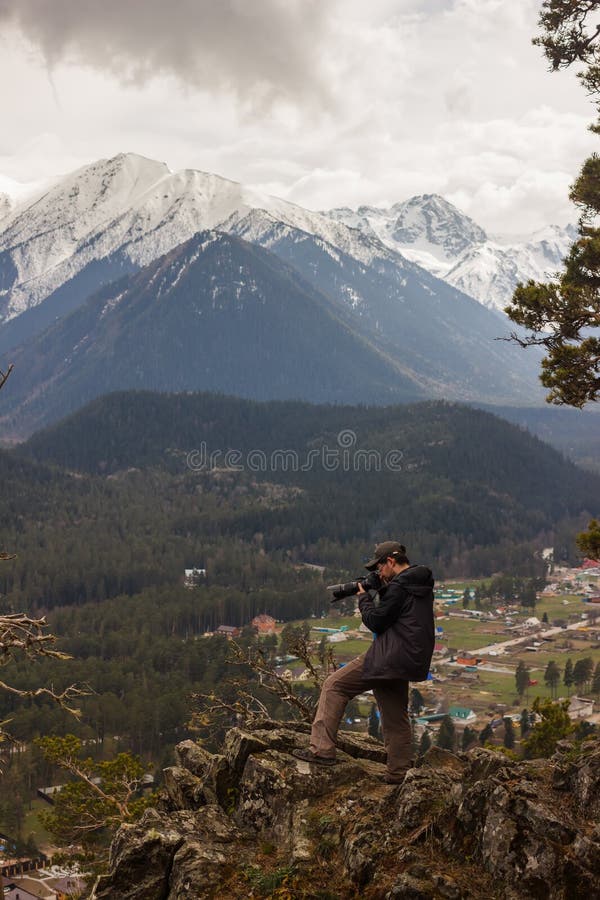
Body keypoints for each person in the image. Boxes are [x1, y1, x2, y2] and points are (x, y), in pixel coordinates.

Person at [293, 541, 434, 783]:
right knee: (394, 716)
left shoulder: (400, 586)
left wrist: (363, 598)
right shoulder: (419, 583)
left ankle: (321, 750)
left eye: (379, 567)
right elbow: (397, 613)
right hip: (410, 658)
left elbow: (378, 621)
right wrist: (382, 589)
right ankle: (397, 774)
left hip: (389, 655)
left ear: (390, 562)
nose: (378, 573)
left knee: (335, 685)